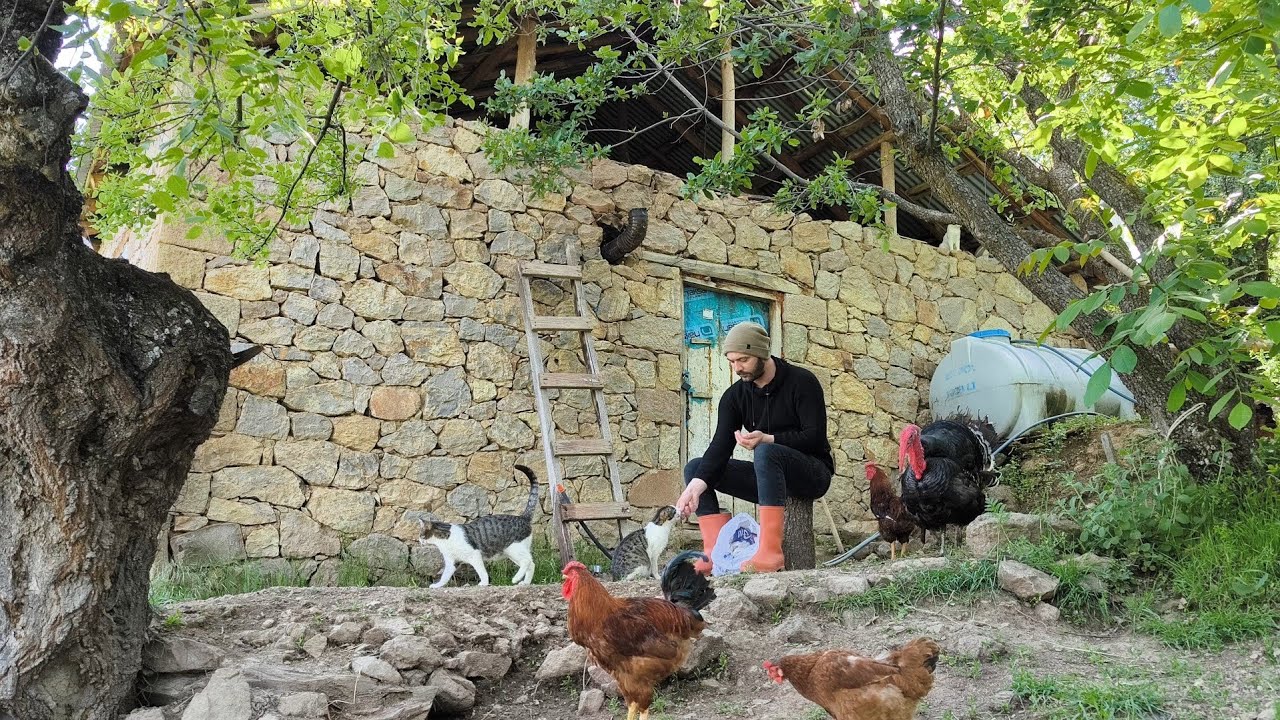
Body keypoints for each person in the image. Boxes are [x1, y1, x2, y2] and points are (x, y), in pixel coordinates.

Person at [676, 321, 834, 573]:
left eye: (743, 360)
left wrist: (768, 439)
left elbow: (815, 438)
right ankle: (714, 554)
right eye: (731, 361)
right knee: (697, 468)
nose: (737, 368)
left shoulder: (802, 382)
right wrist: (694, 487)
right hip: (771, 478)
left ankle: (770, 553)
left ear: (762, 353)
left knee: (766, 451)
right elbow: (720, 447)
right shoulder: (734, 396)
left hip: (813, 473)